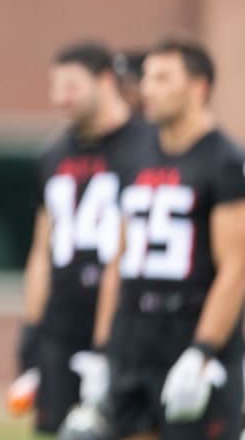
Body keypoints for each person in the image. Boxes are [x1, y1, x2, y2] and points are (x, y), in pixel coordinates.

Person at [71, 38, 245, 440]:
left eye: (164, 78)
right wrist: (101, 349)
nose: (148, 88)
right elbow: (118, 261)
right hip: (134, 335)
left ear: (199, 86)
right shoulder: (135, 156)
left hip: (188, 330)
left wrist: (202, 350)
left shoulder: (224, 161)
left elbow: (235, 267)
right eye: (147, 78)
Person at [13, 42, 154, 436]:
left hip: (128, 320)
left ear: (105, 80)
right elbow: (41, 249)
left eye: (71, 86)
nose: (61, 98)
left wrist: (107, 342)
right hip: (62, 321)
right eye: (55, 87)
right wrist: (32, 325)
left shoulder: (147, 147)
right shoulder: (52, 155)